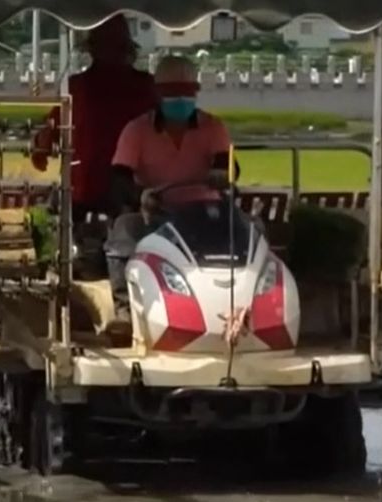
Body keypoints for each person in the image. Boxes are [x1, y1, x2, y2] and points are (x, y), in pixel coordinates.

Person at [104, 56, 236, 308]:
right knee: (123, 230)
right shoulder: (136, 130)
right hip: (155, 215)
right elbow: (118, 179)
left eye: (186, 93)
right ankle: (124, 307)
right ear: (158, 93)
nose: (180, 100)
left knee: (253, 228)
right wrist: (140, 196)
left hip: (207, 215)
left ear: (196, 93)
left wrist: (221, 174)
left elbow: (228, 165)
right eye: (172, 93)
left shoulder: (213, 127)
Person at [32, 15, 155, 214]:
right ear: (127, 49)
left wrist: (41, 149)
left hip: (88, 188)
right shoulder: (148, 86)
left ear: (92, 49)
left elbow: (49, 133)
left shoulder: (77, 87)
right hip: (133, 191)